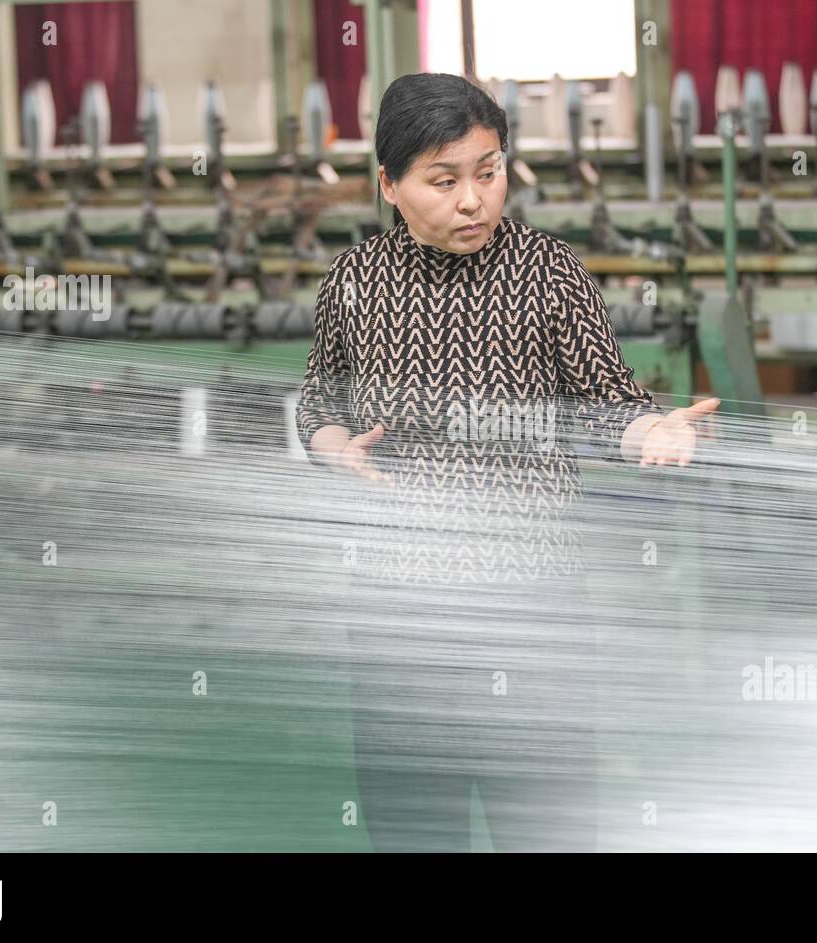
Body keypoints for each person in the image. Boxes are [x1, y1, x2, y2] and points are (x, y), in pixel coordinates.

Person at [296, 72, 717, 852]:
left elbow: (608, 400)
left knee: (547, 830)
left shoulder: (547, 273)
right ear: (389, 183)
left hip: (533, 613)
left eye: (488, 173)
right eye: (444, 180)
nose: (473, 201)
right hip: (399, 618)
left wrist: (654, 431)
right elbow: (319, 402)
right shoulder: (353, 283)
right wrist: (332, 448)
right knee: (414, 832)